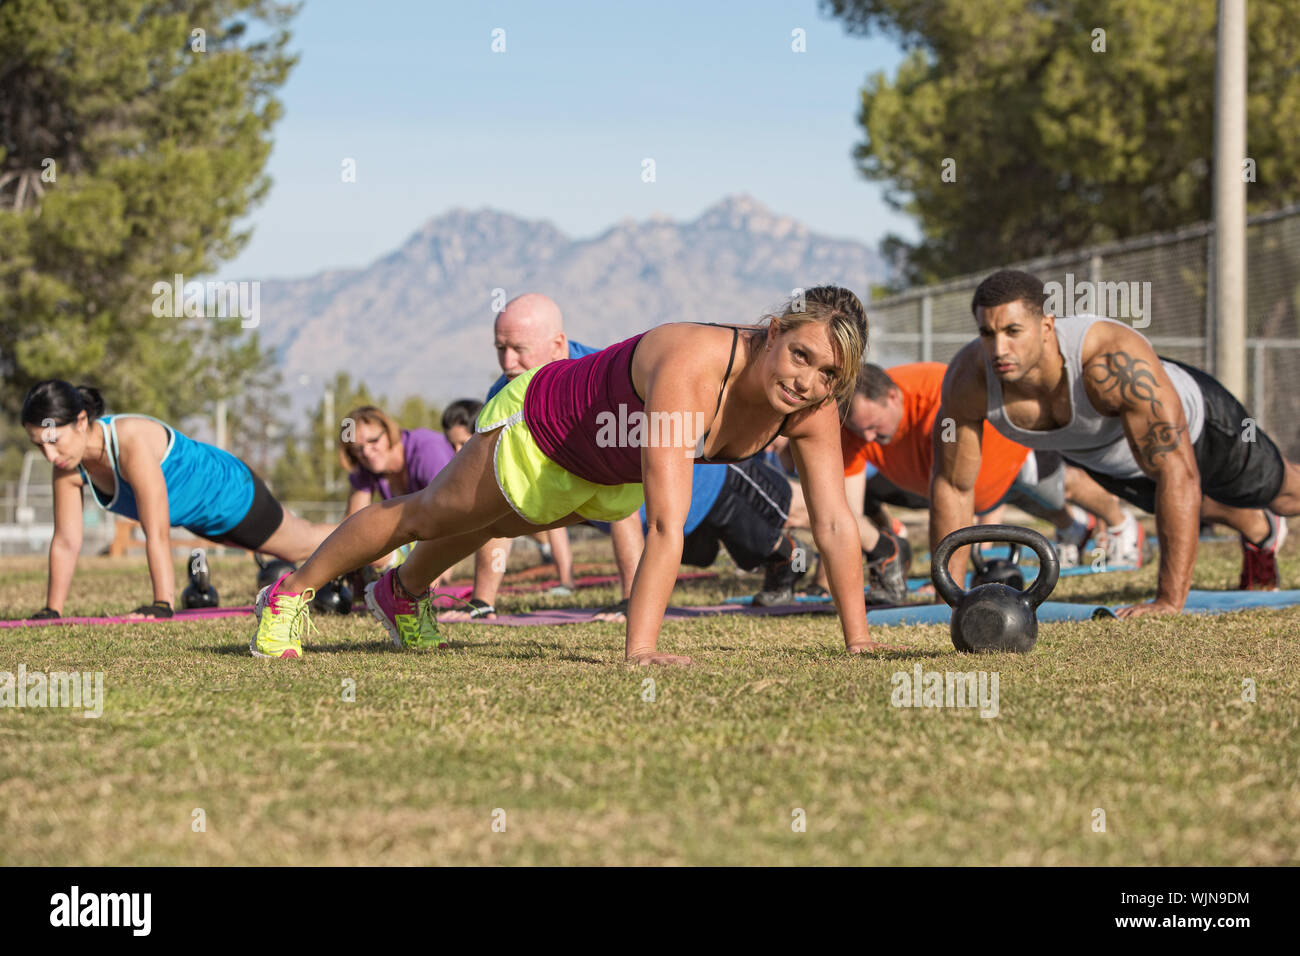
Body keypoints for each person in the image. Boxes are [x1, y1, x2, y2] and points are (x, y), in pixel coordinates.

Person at [250, 286, 888, 662]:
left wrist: (856, 642)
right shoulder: (692, 366)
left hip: (605, 468)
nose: (807, 380)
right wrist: (641, 652)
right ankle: (288, 593)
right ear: (772, 331)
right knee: (435, 511)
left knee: (493, 518)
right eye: (800, 355)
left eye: (828, 374)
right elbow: (665, 525)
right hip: (546, 423)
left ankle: (399, 593)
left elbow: (833, 522)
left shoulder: (810, 406)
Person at [932, 269, 1300, 618]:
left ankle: (1266, 520)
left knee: (1284, 494)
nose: (998, 348)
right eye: (987, 333)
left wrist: (1168, 601)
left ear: (1046, 326)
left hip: (1204, 426)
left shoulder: (1107, 361)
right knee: (1194, 507)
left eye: (1013, 331)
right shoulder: (968, 380)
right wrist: (946, 597)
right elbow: (953, 485)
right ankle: (1260, 532)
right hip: (1111, 460)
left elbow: (1179, 473)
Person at [20, 380, 335, 619]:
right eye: (39, 446)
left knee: (302, 544)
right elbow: (66, 541)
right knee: (299, 545)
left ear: (79, 421)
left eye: (53, 441)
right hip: (199, 518)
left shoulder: (130, 441)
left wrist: (161, 604)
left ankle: (376, 549)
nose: (49, 455)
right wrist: (52, 611)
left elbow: (155, 530)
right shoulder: (68, 467)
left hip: (229, 492)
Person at [438, 293, 633, 620]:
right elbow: (494, 498)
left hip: (712, 500)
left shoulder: (604, 384)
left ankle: (629, 597)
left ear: (558, 344)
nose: (507, 363)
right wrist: (481, 603)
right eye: (501, 349)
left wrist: (632, 603)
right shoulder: (502, 394)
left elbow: (630, 494)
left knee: (749, 550)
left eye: (519, 350)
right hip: (589, 500)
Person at [839, 362, 1136, 567]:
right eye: (860, 430)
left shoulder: (938, 400)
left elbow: (952, 495)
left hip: (1011, 455)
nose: (867, 437)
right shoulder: (854, 426)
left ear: (893, 397)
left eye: (874, 427)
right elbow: (846, 514)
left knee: (1060, 487)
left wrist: (942, 574)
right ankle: (1075, 530)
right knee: (1040, 506)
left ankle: (1122, 524)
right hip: (979, 490)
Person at [338, 405, 457, 589]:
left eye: (373, 441)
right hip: (414, 538)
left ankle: (397, 570)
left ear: (389, 432)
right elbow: (350, 524)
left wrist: (438, 573)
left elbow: (450, 515)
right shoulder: (366, 465)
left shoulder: (428, 450)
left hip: (448, 532)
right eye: (358, 449)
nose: (367, 453)